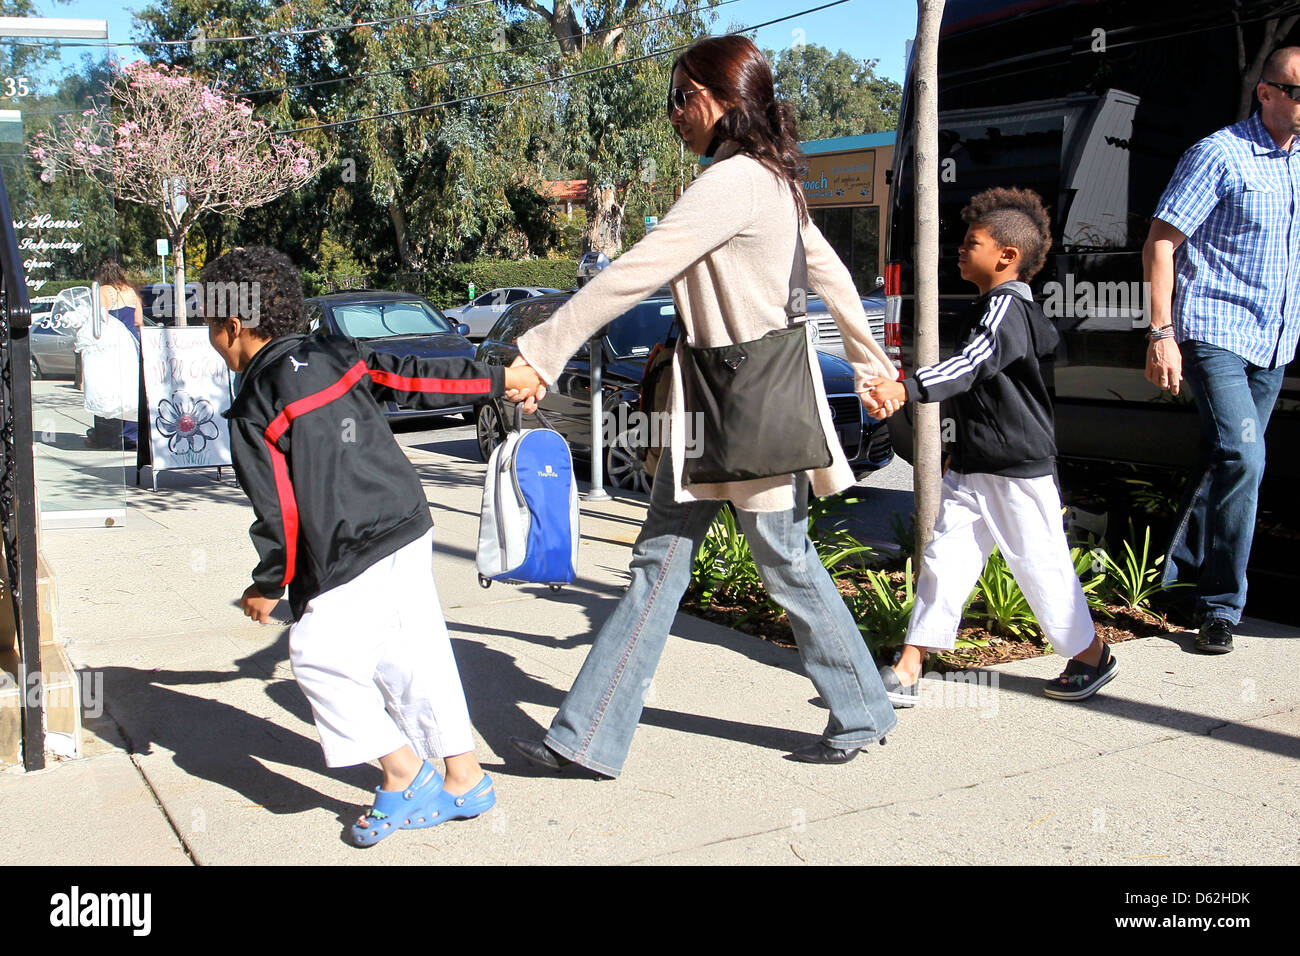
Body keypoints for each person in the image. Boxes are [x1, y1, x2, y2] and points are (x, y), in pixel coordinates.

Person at [507, 35, 898, 778]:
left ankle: (864, 707)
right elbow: (834, 276)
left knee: (779, 561)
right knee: (664, 564)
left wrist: (541, 352)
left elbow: (635, 273)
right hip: (713, 406)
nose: (673, 114)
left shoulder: (732, 181)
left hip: (745, 404)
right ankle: (587, 739)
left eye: (682, 98)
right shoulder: (772, 179)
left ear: (723, 99)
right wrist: (872, 365)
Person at [202, 246, 542, 845]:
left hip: (345, 548)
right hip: (406, 522)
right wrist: (503, 379)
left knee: (316, 657)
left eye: (208, 321)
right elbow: (415, 376)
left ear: (232, 326)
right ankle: (465, 777)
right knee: (412, 650)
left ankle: (405, 775)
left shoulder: (254, 407)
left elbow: (278, 513)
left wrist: (267, 583)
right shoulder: (335, 354)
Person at [864, 187, 1117, 703]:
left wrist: (905, 387)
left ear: (1007, 257)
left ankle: (1092, 655)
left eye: (971, 242)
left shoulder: (1004, 311)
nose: (960, 249)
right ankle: (911, 665)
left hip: (1015, 469)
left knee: (1039, 564)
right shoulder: (996, 308)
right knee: (944, 560)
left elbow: (970, 365)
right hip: (975, 465)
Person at [1142, 46, 1300, 654]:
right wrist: (1162, 334)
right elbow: (1160, 243)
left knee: (1222, 459)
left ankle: (1179, 582)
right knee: (1245, 457)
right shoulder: (1220, 154)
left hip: (1275, 337)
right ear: (1266, 93)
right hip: (1216, 329)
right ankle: (1220, 606)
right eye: (1297, 92)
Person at [83, 259, 144, 450]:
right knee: (130, 387)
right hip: (132, 342)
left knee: (106, 388)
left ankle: (106, 435)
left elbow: (99, 320)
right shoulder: (132, 293)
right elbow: (138, 320)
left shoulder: (102, 291)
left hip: (111, 344)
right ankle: (131, 434)